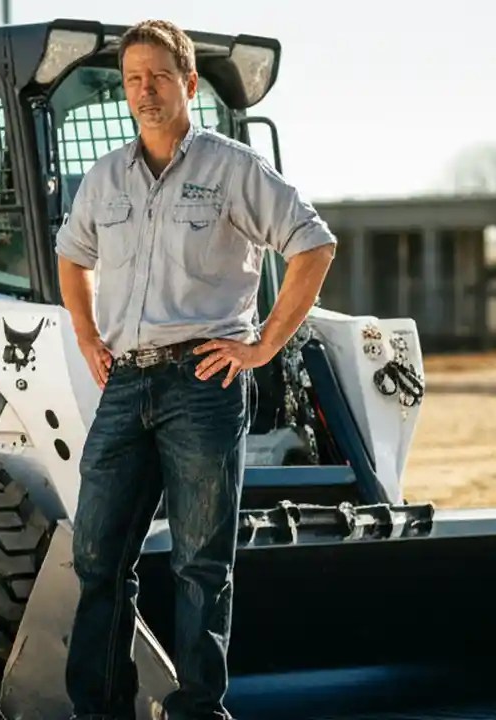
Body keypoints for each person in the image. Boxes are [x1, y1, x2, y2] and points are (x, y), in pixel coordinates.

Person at [54, 19, 337, 720]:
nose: (143, 91)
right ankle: (100, 709)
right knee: (96, 560)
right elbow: (72, 255)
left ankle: (198, 710)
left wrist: (264, 346)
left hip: (204, 386)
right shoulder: (106, 177)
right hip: (125, 385)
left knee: (200, 566)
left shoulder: (233, 168)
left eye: (156, 77)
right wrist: (88, 334)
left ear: (187, 83)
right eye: (131, 79)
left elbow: (313, 245)